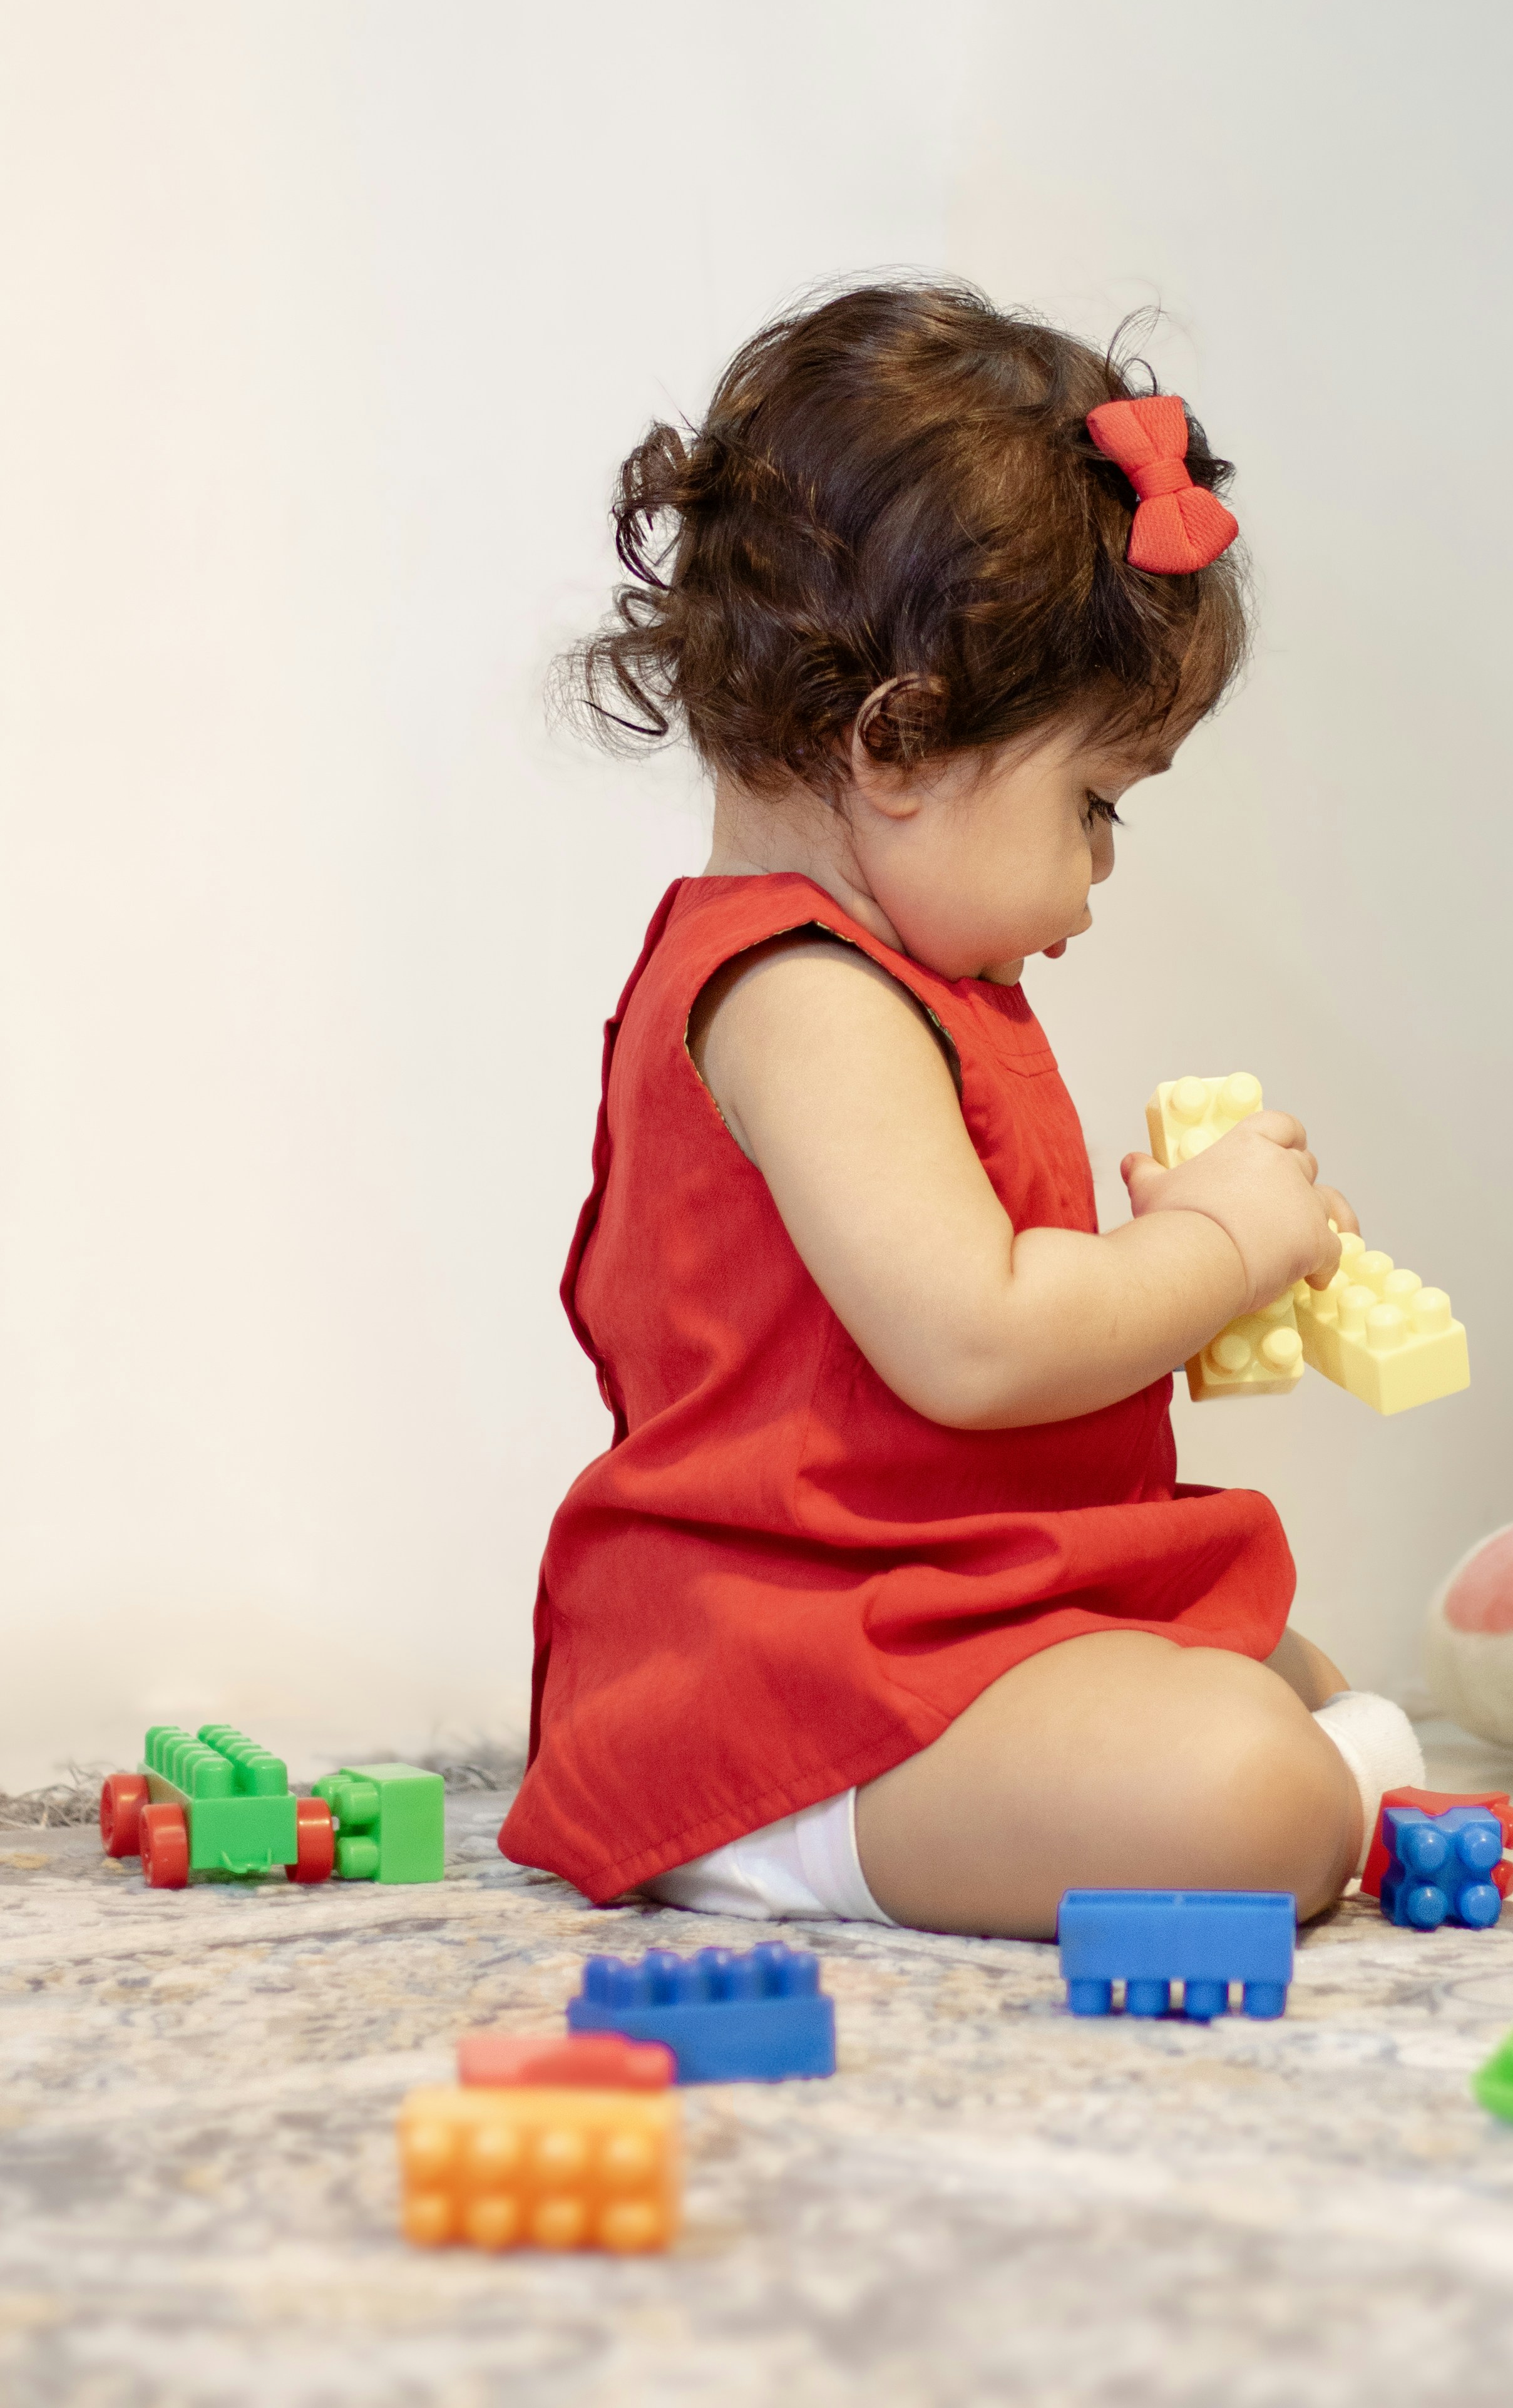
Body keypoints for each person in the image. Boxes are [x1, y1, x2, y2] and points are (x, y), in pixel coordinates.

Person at [500, 279, 1421, 1935]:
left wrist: (1201, 1263)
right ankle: (783, 1839)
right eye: (1095, 806)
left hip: (936, 1600)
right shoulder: (798, 994)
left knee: (1280, 1667)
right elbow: (978, 1342)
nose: (1100, 875)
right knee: (1246, 1777)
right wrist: (1212, 1240)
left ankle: (1281, 1791)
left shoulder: (920, 985)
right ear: (900, 744)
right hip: (793, 1653)